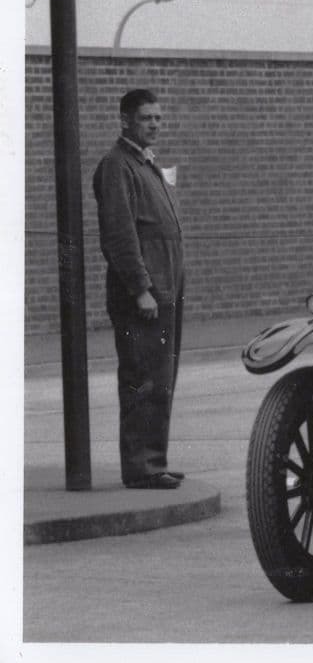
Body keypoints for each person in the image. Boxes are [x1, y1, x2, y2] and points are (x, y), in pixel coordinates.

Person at [92, 89, 185, 489]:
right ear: (126, 120)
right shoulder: (118, 166)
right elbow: (120, 234)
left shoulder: (145, 164)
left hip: (166, 289)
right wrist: (141, 288)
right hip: (144, 297)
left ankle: (154, 461)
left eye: (159, 118)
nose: (155, 125)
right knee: (142, 378)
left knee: (161, 378)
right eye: (147, 118)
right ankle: (141, 468)